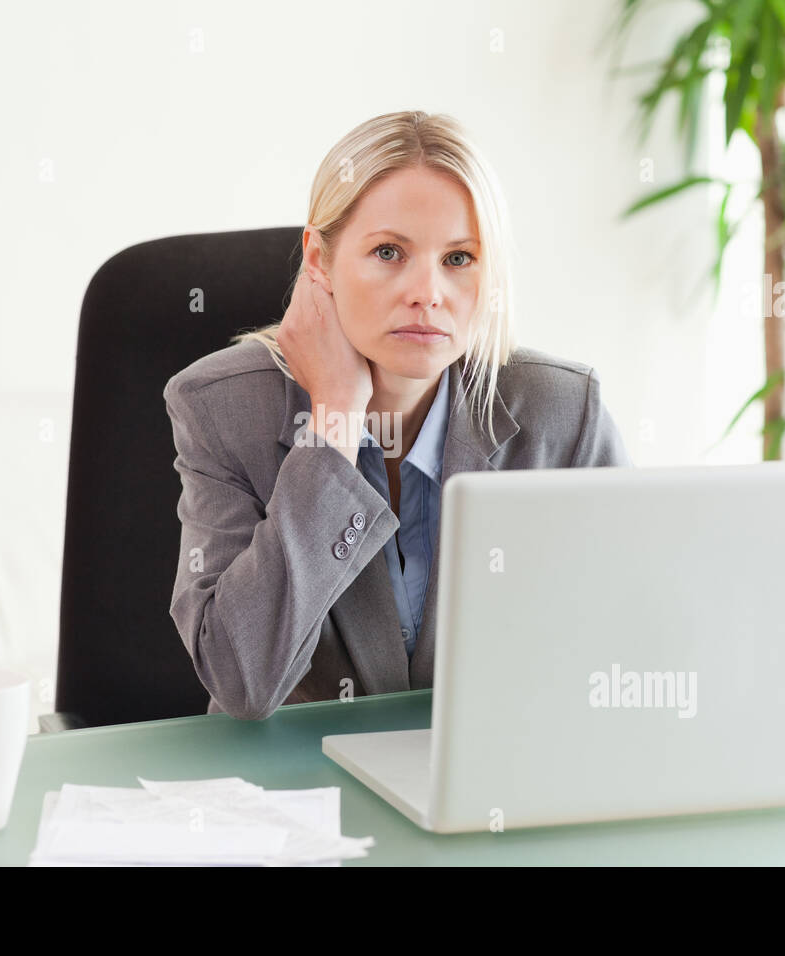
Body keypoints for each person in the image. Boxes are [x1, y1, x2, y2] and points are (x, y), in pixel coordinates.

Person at [164, 110, 630, 720]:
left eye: (459, 258)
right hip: (299, 798)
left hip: (491, 788)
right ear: (319, 260)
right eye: (389, 251)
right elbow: (242, 681)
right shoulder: (222, 410)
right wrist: (332, 423)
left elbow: (631, 643)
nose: (427, 292)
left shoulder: (564, 414)